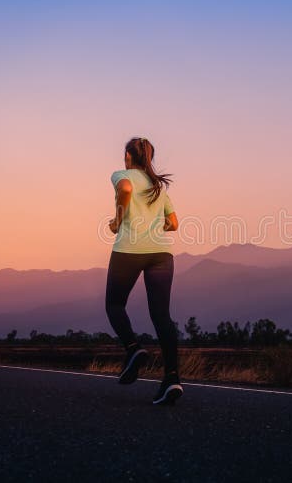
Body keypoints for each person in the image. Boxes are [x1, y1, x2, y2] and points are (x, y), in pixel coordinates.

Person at [105, 136, 182, 405]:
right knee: (162, 316)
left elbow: (125, 189)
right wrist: (153, 228)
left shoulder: (121, 175)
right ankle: (172, 379)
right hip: (161, 254)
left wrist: (117, 220)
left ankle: (133, 349)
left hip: (129, 249)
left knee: (114, 305)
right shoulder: (159, 188)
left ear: (128, 156)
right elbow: (173, 223)